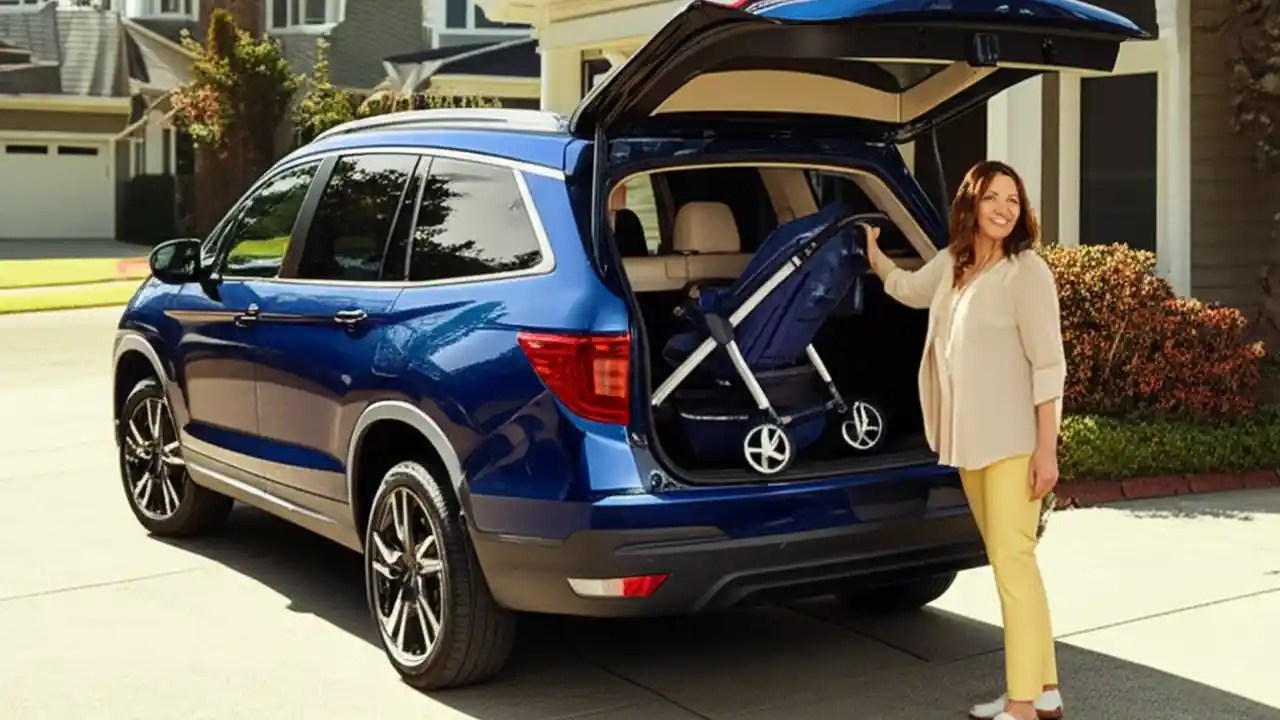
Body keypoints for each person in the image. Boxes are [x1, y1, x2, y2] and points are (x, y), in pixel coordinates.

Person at [863, 160, 1067, 720]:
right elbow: (907, 289)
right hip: (969, 442)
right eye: (993, 197)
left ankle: (1022, 703)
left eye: (1013, 199)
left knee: (1012, 564)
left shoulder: (1026, 273)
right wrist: (874, 256)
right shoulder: (955, 264)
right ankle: (1045, 690)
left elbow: (1050, 366)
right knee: (1015, 563)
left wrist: (1046, 450)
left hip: (1013, 444)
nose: (1004, 208)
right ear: (971, 204)